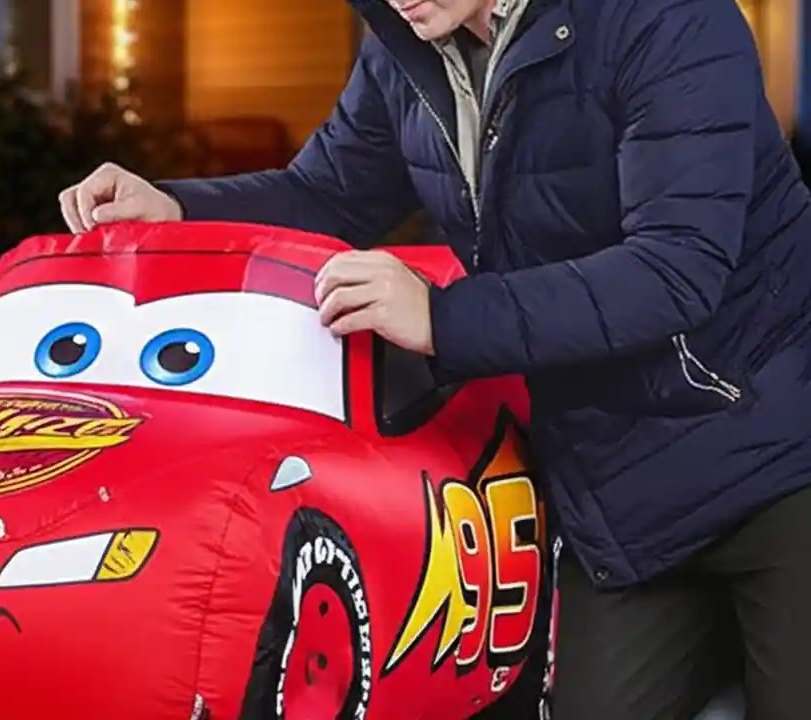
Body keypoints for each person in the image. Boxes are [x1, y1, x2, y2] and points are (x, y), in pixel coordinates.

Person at [58, 0, 811, 717]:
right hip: (620, 489)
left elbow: (675, 270)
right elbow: (329, 193)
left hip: (779, 453)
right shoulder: (404, 44)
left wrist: (442, 318)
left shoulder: (666, 20)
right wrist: (180, 208)